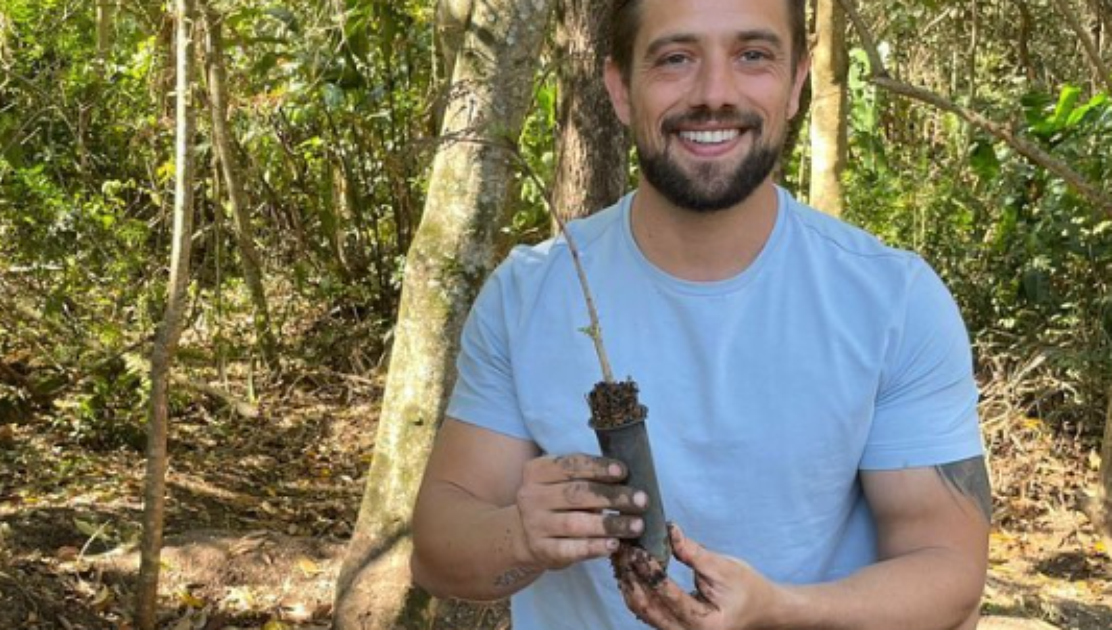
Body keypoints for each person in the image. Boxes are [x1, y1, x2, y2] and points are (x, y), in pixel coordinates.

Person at [410, 0, 991, 628]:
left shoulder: (892, 300)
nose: (715, 92)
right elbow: (437, 552)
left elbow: (949, 572)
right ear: (620, 88)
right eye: (675, 58)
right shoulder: (529, 294)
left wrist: (778, 610)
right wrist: (521, 535)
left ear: (797, 81)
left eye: (753, 55)